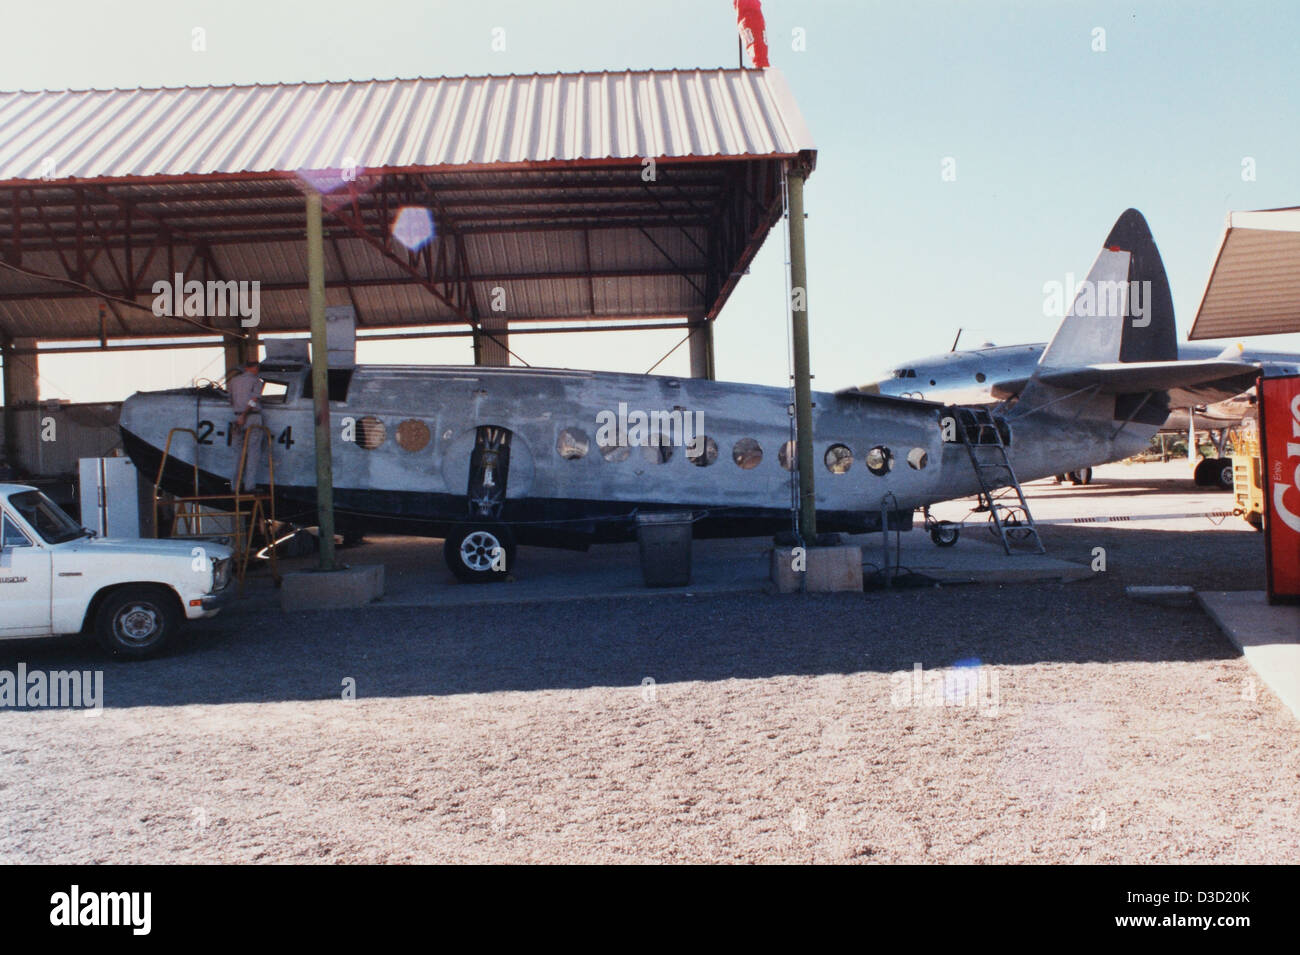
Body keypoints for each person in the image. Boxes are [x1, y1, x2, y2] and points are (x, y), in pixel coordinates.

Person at [228, 358, 264, 493]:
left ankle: (234, 486)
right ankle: (249, 486)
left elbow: (230, 400)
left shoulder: (234, 381)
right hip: (252, 417)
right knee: (253, 452)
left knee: (238, 453)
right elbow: (254, 401)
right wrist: (245, 414)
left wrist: (239, 415)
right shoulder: (256, 381)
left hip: (237, 418)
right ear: (254, 368)